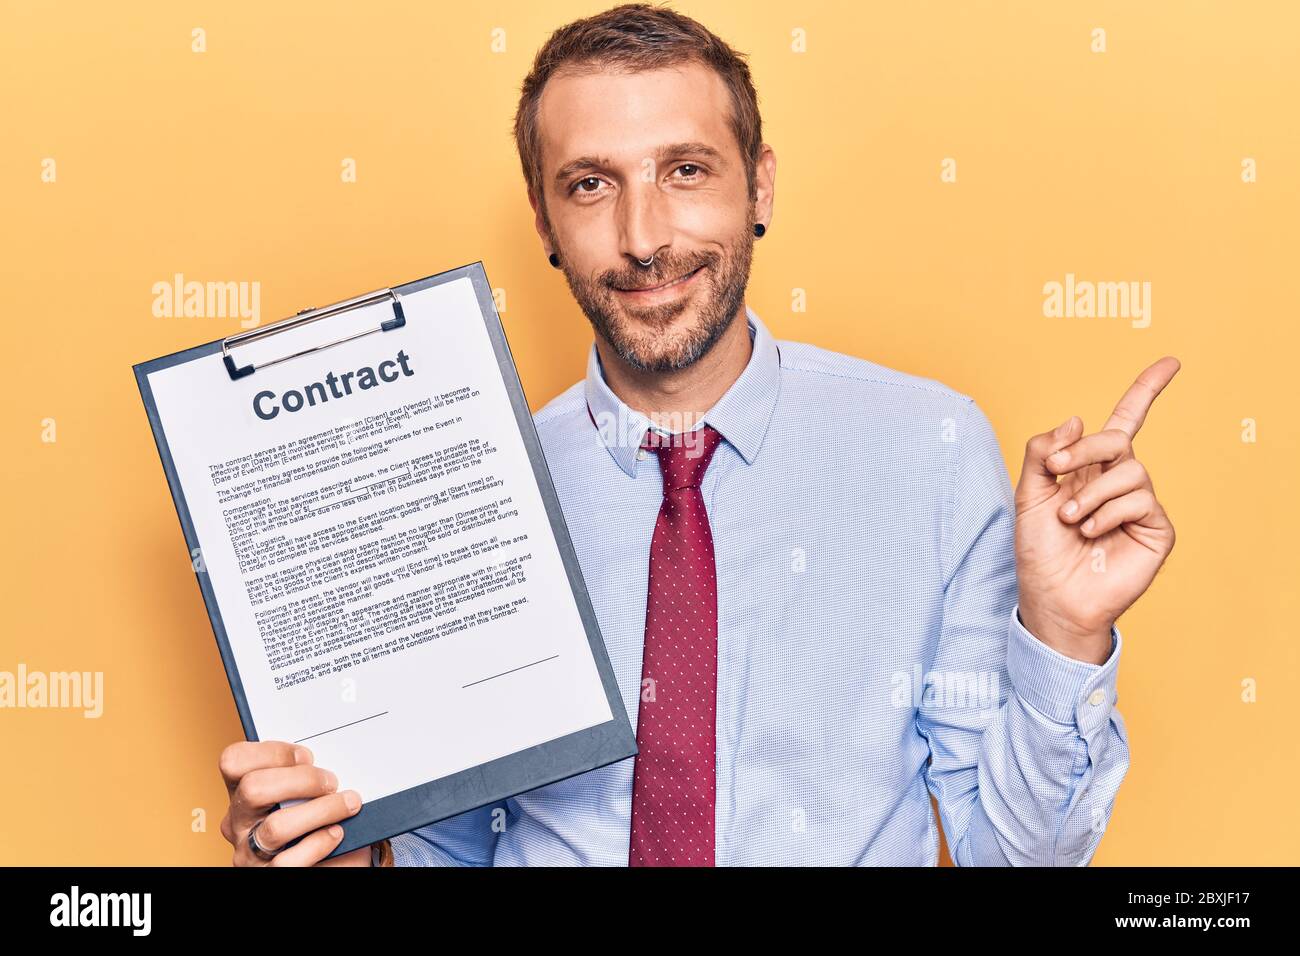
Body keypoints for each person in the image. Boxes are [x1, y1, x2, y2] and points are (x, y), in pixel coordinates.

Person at [219, 3, 1177, 867]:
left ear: (758, 188)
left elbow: (1014, 859)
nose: (644, 237)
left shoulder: (928, 449)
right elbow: (447, 855)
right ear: (543, 219)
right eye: (590, 185)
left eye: (685, 171)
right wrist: (337, 855)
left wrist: (1063, 633)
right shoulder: (464, 489)